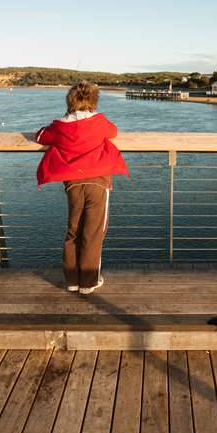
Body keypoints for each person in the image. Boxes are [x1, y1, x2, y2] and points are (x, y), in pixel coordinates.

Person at [36, 81, 129, 294]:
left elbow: (40, 136)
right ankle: (88, 282)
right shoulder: (99, 122)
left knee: (74, 232)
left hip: (72, 185)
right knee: (93, 233)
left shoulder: (59, 126)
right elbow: (113, 131)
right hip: (98, 183)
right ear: (93, 102)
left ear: (70, 101)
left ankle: (72, 280)